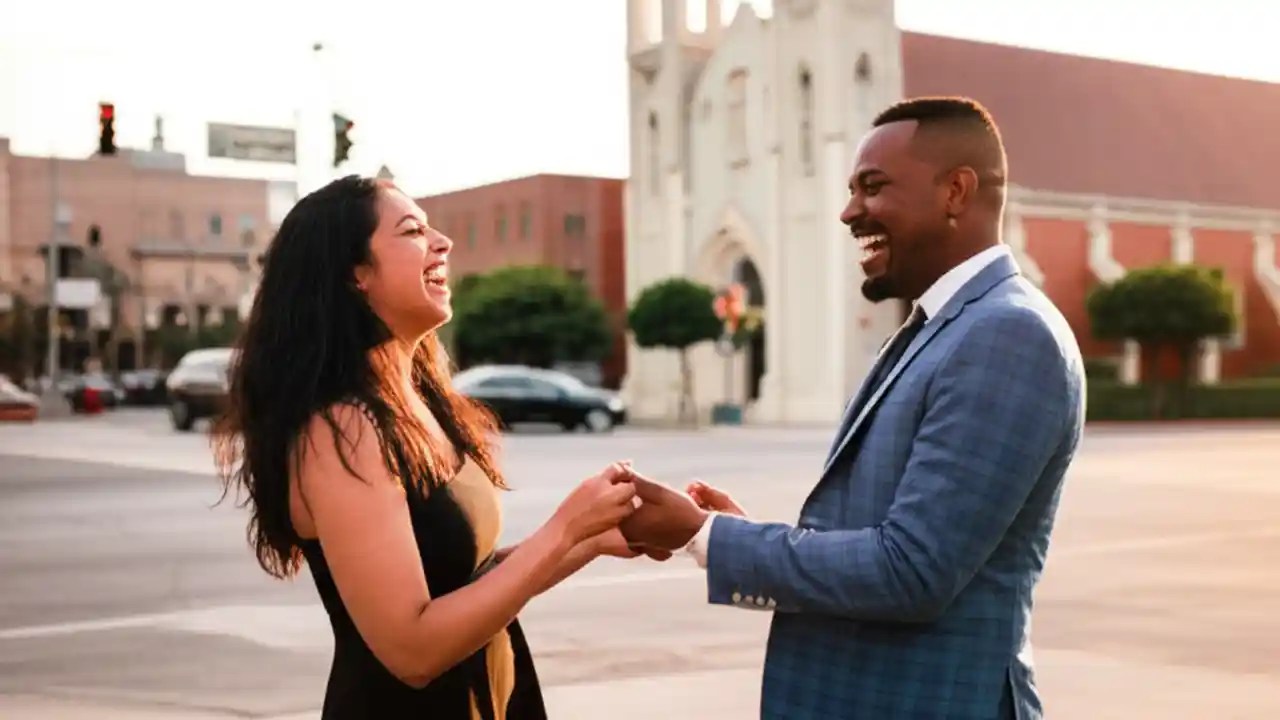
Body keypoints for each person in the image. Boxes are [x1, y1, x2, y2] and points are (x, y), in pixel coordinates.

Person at [620, 97, 1086, 719]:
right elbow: (889, 535)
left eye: (873, 187)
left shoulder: (1007, 335)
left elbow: (912, 570)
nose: (848, 212)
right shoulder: (942, 326)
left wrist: (706, 536)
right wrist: (748, 534)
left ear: (955, 191)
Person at [212, 175, 644, 720]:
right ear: (356, 274)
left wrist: (590, 538)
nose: (443, 242)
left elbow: (463, 582)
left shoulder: (419, 401)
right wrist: (562, 532)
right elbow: (413, 651)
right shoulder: (341, 429)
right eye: (413, 230)